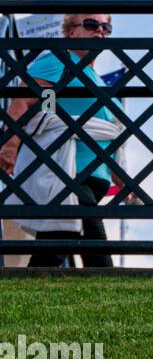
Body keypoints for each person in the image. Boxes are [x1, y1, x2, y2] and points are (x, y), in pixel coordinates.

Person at [0, 14, 127, 268]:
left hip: (93, 170)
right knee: (89, 235)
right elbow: (24, 101)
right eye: (91, 25)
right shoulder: (59, 60)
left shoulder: (95, 77)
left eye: (106, 27)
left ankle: (28, 291)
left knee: (60, 236)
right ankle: (111, 285)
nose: (100, 31)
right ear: (71, 31)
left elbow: (108, 129)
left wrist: (119, 174)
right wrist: (10, 144)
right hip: (68, 168)